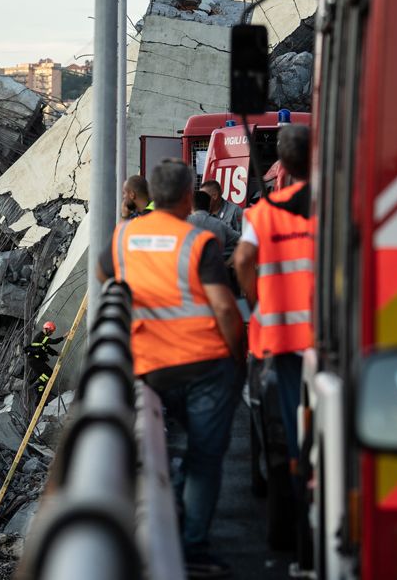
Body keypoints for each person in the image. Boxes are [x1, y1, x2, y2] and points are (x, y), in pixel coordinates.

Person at [98, 159, 244, 578]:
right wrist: (239, 356)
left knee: (170, 452)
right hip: (203, 365)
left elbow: (105, 276)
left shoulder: (124, 235)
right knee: (204, 455)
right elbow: (223, 309)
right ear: (186, 197)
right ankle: (194, 544)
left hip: (149, 364)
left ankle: (175, 509)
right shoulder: (198, 243)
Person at [233, 124, 314, 470]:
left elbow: (242, 260)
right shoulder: (340, 202)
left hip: (284, 335)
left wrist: (256, 300)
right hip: (332, 332)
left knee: (291, 416)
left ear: (281, 164)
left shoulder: (263, 213)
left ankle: (299, 468)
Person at [188, 189, 240, 260]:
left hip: (187, 267)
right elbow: (243, 241)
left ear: (190, 205)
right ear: (209, 206)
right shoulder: (221, 225)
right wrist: (229, 263)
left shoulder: (182, 222)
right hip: (215, 268)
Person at [24, 320, 63, 411]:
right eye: (51, 331)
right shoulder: (41, 336)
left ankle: (38, 401)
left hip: (34, 360)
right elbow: (53, 342)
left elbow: (48, 348)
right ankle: (36, 384)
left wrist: (57, 354)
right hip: (34, 360)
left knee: (42, 381)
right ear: (46, 329)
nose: (51, 333)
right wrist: (64, 337)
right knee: (49, 372)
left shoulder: (42, 338)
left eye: (52, 332)